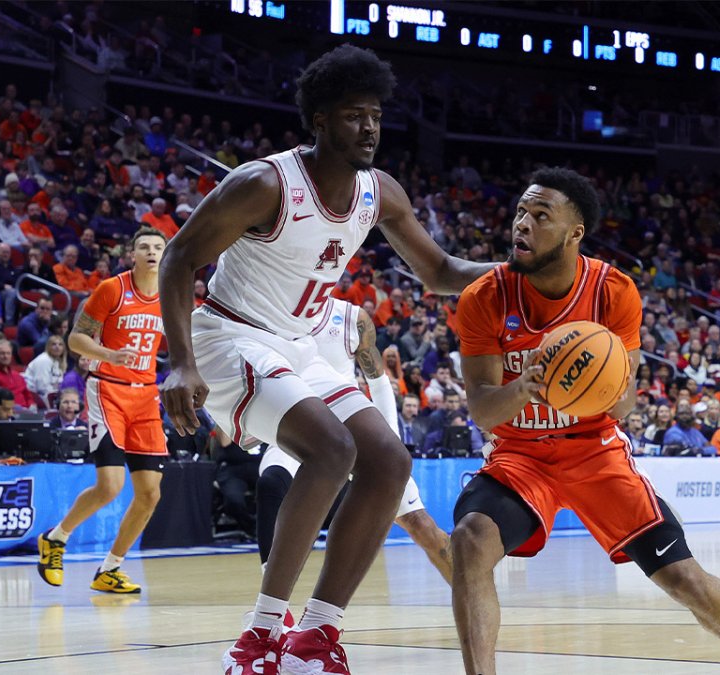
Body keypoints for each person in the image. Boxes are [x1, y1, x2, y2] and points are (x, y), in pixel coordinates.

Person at [157, 45, 492, 675]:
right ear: (318, 120)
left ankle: (316, 636)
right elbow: (178, 258)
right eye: (351, 115)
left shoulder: (379, 193)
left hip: (305, 345)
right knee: (332, 449)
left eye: (374, 115)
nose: (367, 127)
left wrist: (521, 273)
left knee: (390, 460)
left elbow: (442, 271)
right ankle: (258, 639)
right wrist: (180, 363)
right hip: (231, 338)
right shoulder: (263, 183)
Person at [449, 167, 720, 675]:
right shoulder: (484, 297)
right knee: (471, 539)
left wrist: (604, 382)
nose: (523, 224)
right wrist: (527, 386)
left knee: (683, 579)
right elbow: (480, 408)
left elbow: (623, 404)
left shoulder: (613, 290)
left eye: (541, 215)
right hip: (520, 455)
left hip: (593, 448)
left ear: (574, 232)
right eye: (521, 212)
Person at [254, 297, 452, 587]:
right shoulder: (271, 311)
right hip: (299, 432)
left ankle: (469, 592)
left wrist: (391, 447)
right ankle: (274, 610)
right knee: (271, 483)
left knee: (421, 527)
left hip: (354, 429)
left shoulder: (351, 317)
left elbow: (379, 382)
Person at [35, 227, 168, 594]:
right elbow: (75, 340)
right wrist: (109, 355)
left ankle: (110, 568)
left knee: (150, 494)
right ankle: (56, 538)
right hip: (108, 389)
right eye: (144, 247)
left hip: (146, 395)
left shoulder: (171, 293)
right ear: (131, 254)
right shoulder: (113, 288)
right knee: (111, 486)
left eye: (159, 247)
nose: (152, 252)